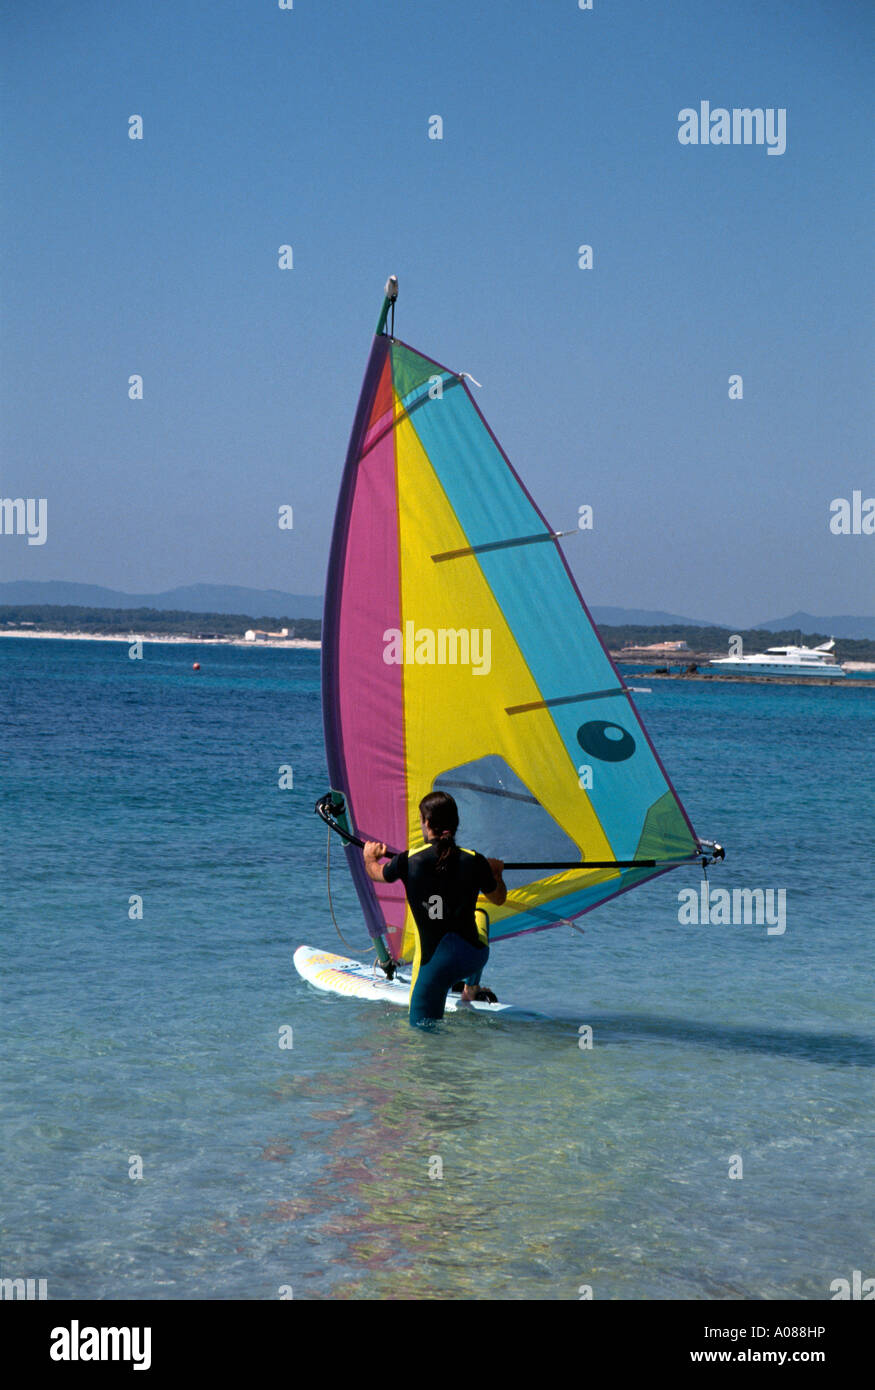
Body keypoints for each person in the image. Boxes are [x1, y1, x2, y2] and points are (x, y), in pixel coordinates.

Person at [363, 791, 506, 1028]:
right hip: (472, 958)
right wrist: (496, 874)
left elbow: (377, 874)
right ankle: (471, 988)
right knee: (481, 914)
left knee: (423, 1036)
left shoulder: (408, 860)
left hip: (435, 970)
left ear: (426, 823)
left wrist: (370, 857)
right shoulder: (475, 860)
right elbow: (499, 897)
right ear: (456, 823)